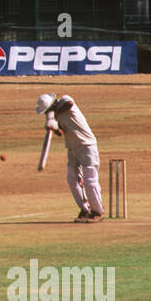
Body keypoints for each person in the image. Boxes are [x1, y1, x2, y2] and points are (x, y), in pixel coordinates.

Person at [36, 93, 104, 222]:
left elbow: (69, 104)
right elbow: (61, 132)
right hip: (72, 148)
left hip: (86, 145)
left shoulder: (65, 101)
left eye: (47, 111)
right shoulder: (54, 116)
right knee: (72, 179)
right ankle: (85, 209)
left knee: (90, 180)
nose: (46, 114)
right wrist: (54, 127)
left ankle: (97, 211)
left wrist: (54, 117)